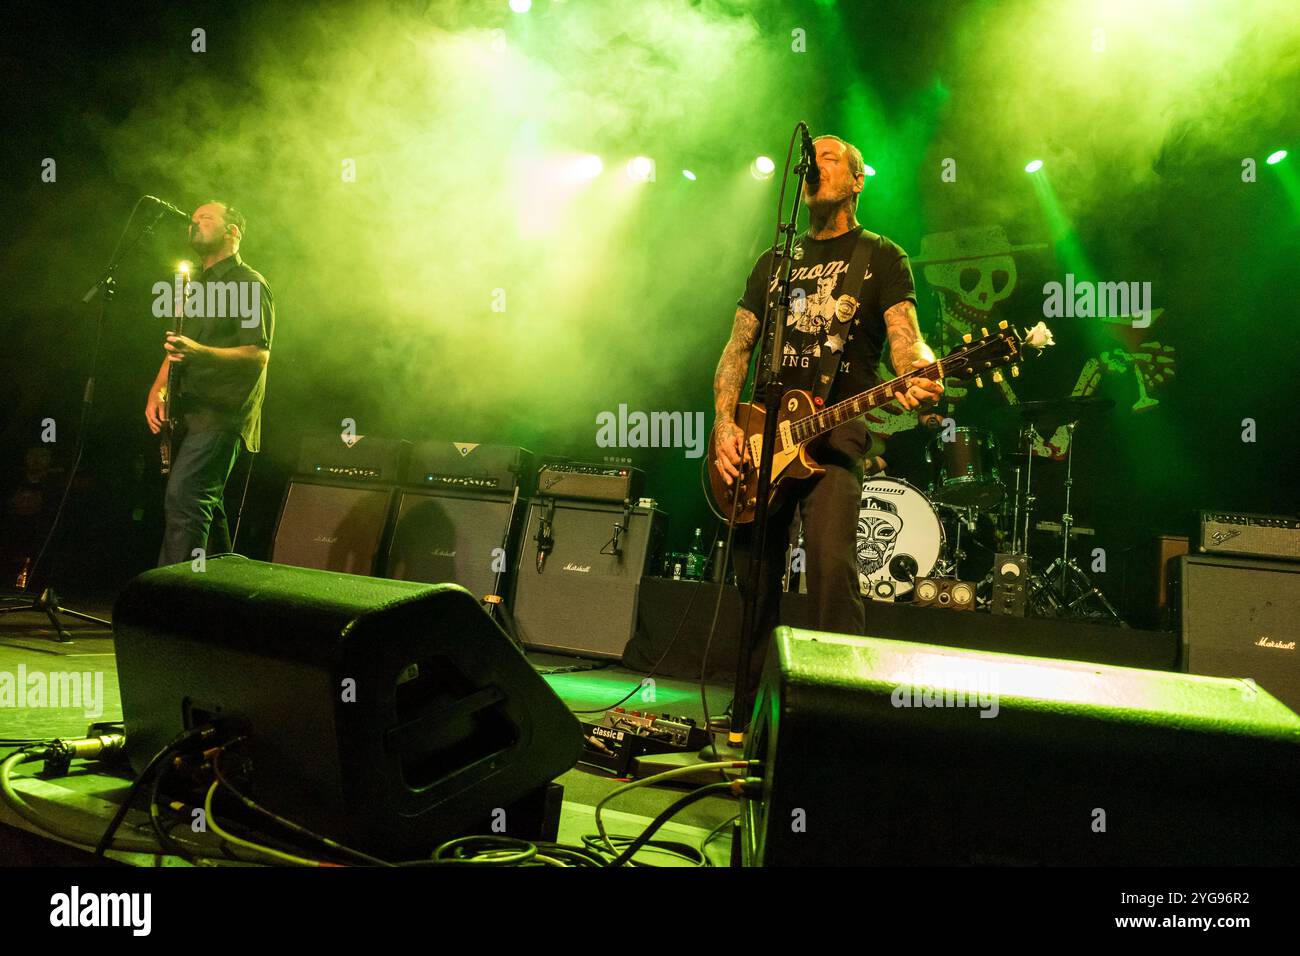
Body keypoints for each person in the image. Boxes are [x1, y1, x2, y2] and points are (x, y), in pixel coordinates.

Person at [712, 135, 943, 694]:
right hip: (760, 440)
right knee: (755, 587)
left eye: (830, 159)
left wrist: (921, 369)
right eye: (811, 161)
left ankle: (836, 711)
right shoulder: (774, 262)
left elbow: (905, 341)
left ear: (857, 181)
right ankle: (745, 716)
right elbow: (737, 348)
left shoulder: (883, 256)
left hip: (834, 436)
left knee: (833, 579)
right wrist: (723, 424)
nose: (816, 167)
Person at [145, 200, 274, 566]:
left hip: (222, 413)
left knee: (185, 498)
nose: (194, 222)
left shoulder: (249, 283)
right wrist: (159, 389)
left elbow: (258, 355)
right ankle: (222, 597)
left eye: (206, 217)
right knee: (205, 506)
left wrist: (199, 352)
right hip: (190, 410)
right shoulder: (192, 285)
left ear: (232, 232)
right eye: (193, 217)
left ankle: (171, 603)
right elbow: (176, 345)